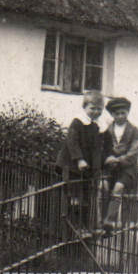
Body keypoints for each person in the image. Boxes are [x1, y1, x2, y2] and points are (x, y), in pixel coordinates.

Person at [55, 91, 105, 231]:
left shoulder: (96, 126)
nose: (96, 112)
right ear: (85, 107)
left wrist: (97, 169)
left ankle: (85, 226)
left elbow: (96, 149)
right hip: (71, 165)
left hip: (85, 168)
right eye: (92, 108)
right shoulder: (78, 122)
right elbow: (72, 142)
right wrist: (79, 159)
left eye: (99, 109)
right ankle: (72, 226)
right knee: (74, 196)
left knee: (87, 197)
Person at [100, 96, 138, 229]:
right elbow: (104, 148)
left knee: (118, 189)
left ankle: (109, 221)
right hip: (109, 167)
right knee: (103, 187)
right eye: (117, 113)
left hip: (126, 168)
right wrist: (107, 158)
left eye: (123, 113)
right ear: (112, 114)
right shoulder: (107, 130)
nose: (120, 116)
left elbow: (133, 153)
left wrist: (117, 160)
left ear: (127, 112)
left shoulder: (134, 131)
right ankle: (100, 220)